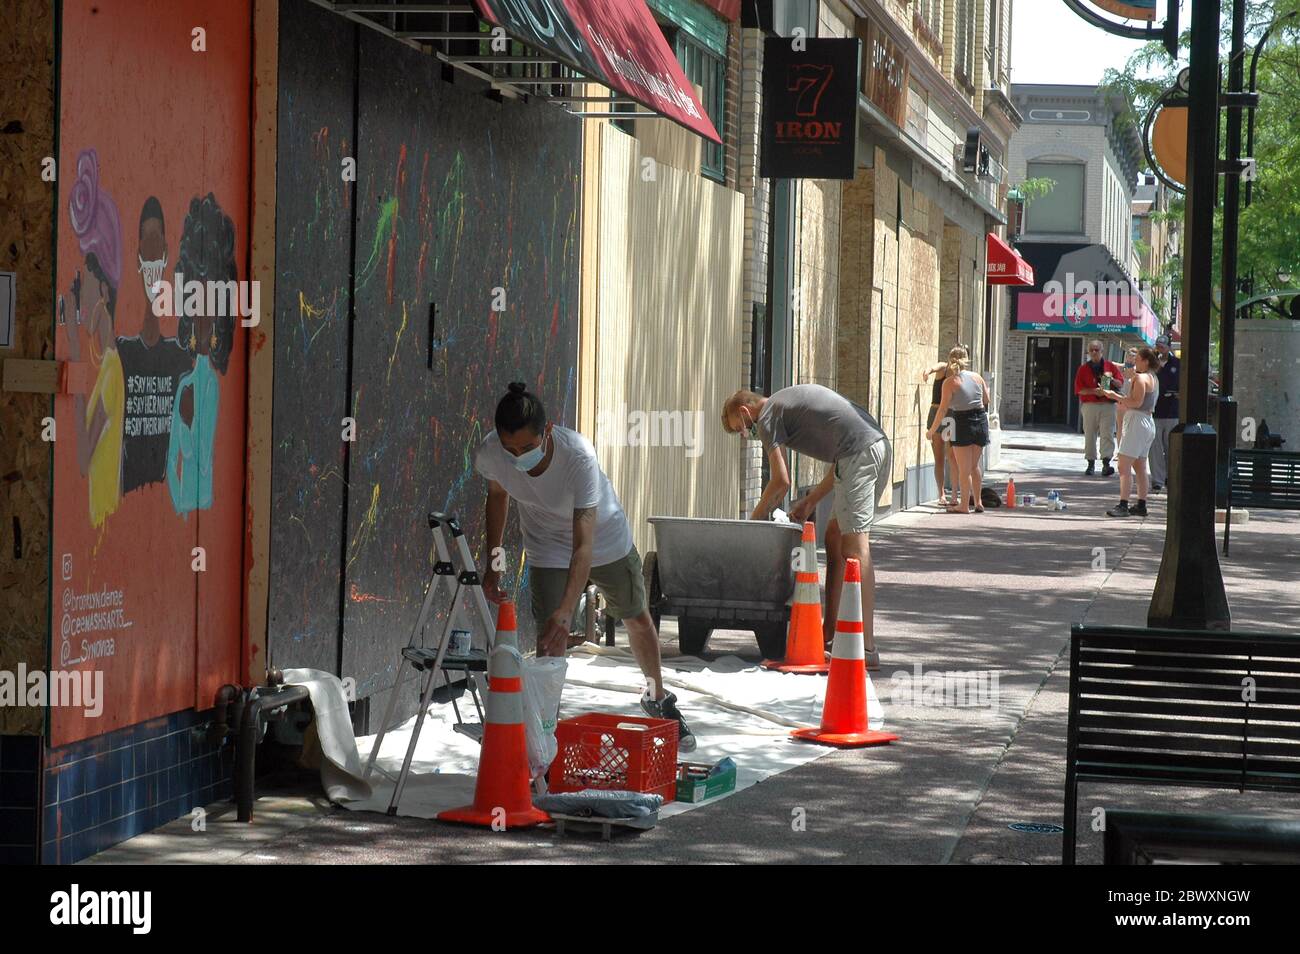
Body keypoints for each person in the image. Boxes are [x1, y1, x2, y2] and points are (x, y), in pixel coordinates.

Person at [476, 383, 695, 751]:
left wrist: (567, 612)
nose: (517, 457)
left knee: (636, 617)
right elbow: (497, 498)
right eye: (510, 449)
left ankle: (657, 696)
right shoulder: (491, 453)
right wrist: (493, 562)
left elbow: (584, 546)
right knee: (549, 636)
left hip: (603, 537)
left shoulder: (578, 456)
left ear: (547, 432)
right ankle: (546, 728)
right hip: (545, 543)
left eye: (527, 449)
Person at [721, 385, 891, 670]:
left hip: (859, 453)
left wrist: (753, 523)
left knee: (855, 548)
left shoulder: (767, 416)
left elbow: (781, 481)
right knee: (834, 539)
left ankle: (867, 648)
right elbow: (839, 462)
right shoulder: (783, 405)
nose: (744, 434)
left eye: (740, 428)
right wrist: (810, 501)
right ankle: (830, 634)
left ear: (745, 411)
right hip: (870, 448)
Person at [926, 346, 991, 514]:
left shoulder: (950, 382)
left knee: (963, 469)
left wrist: (931, 430)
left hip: (963, 421)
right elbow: (986, 399)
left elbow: (942, 409)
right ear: (966, 360)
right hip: (981, 421)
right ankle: (978, 502)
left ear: (950, 359)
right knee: (974, 466)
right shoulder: (977, 377)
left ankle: (963, 505)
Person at [1100, 347, 1160, 517]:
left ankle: (1123, 505)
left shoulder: (1140, 378)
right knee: (1140, 466)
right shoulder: (1153, 378)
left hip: (1137, 421)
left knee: (1123, 465)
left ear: (1145, 361)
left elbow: (1135, 402)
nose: (1135, 362)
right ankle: (1141, 504)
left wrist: (1114, 395)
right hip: (1147, 422)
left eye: (1138, 359)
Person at [1074, 340, 1124, 477]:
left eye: (1097, 350)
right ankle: (1090, 463)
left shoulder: (1110, 366)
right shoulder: (1083, 369)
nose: (1094, 352)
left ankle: (1106, 463)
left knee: (1107, 434)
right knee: (1090, 434)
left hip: (1108, 405)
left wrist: (1111, 380)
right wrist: (1094, 391)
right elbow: (1079, 390)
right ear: (1088, 352)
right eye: (1092, 350)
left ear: (1102, 351)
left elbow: (1120, 383)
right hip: (1090, 405)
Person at [921, 356, 960, 506]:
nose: (956, 363)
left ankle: (955, 494)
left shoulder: (960, 375)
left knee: (952, 457)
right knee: (939, 457)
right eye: (954, 359)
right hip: (936, 413)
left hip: (950, 416)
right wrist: (927, 371)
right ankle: (941, 494)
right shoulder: (943, 368)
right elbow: (933, 367)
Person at [1149, 335, 1180, 493]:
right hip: (1154, 411)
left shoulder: (1177, 364)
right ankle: (1157, 480)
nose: (1160, 349)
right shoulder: (1151, 363)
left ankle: (1170, 477)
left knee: (1170, 447)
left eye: (1162, 346)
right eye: (1158, 346)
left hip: (1172, 411)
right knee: (1154, 448)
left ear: (1169, 347)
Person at [1115, 347, 1138, 445]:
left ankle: (1129, 450)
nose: (1130, 358)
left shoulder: (1138, 372)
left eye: (1133, 356)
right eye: (1129, 355)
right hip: (1120, 402)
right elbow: (1107, 370)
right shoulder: (1119, 367)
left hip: (1132, 403)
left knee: (1131, 428)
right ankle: (1120, 450)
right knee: (1120, 426)